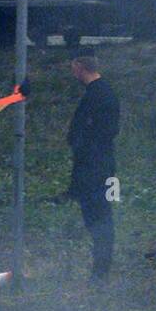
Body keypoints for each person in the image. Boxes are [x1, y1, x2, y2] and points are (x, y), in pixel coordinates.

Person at [65, 54, 121, 284]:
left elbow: (100, 131)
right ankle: (99, 268)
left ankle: (100, 271)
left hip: (95, 168)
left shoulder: (99, 95)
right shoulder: (100, 92)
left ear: (79, 67)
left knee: (99, 218)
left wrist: (81, 143)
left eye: (73, 67)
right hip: (94, 166)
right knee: (96, 217)